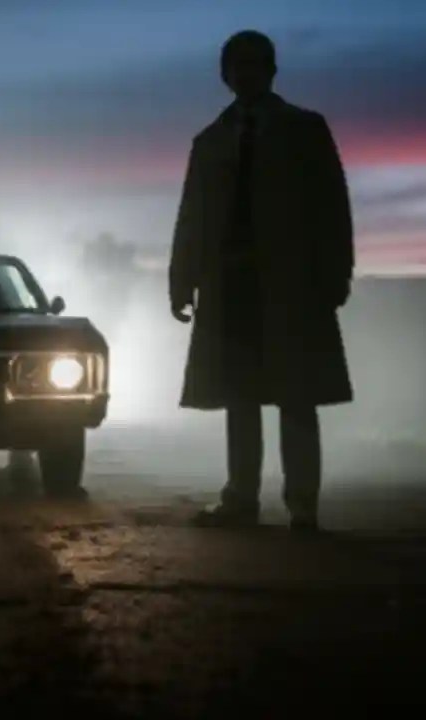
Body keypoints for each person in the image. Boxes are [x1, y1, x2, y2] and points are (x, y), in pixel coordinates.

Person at [169, 30, 354, 533]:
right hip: (230, 285)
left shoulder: (304, 129)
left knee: (296, 394)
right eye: (238, 66)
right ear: (225, 75)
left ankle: (303, 505)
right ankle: (241, 497)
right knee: (240, 393)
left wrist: (336, 273)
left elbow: (332, 207)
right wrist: (181, 279)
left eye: (255, 65)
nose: (246, 74)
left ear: (271, 70)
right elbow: (193, 215)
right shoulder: (210, 140)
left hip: (292, 283)